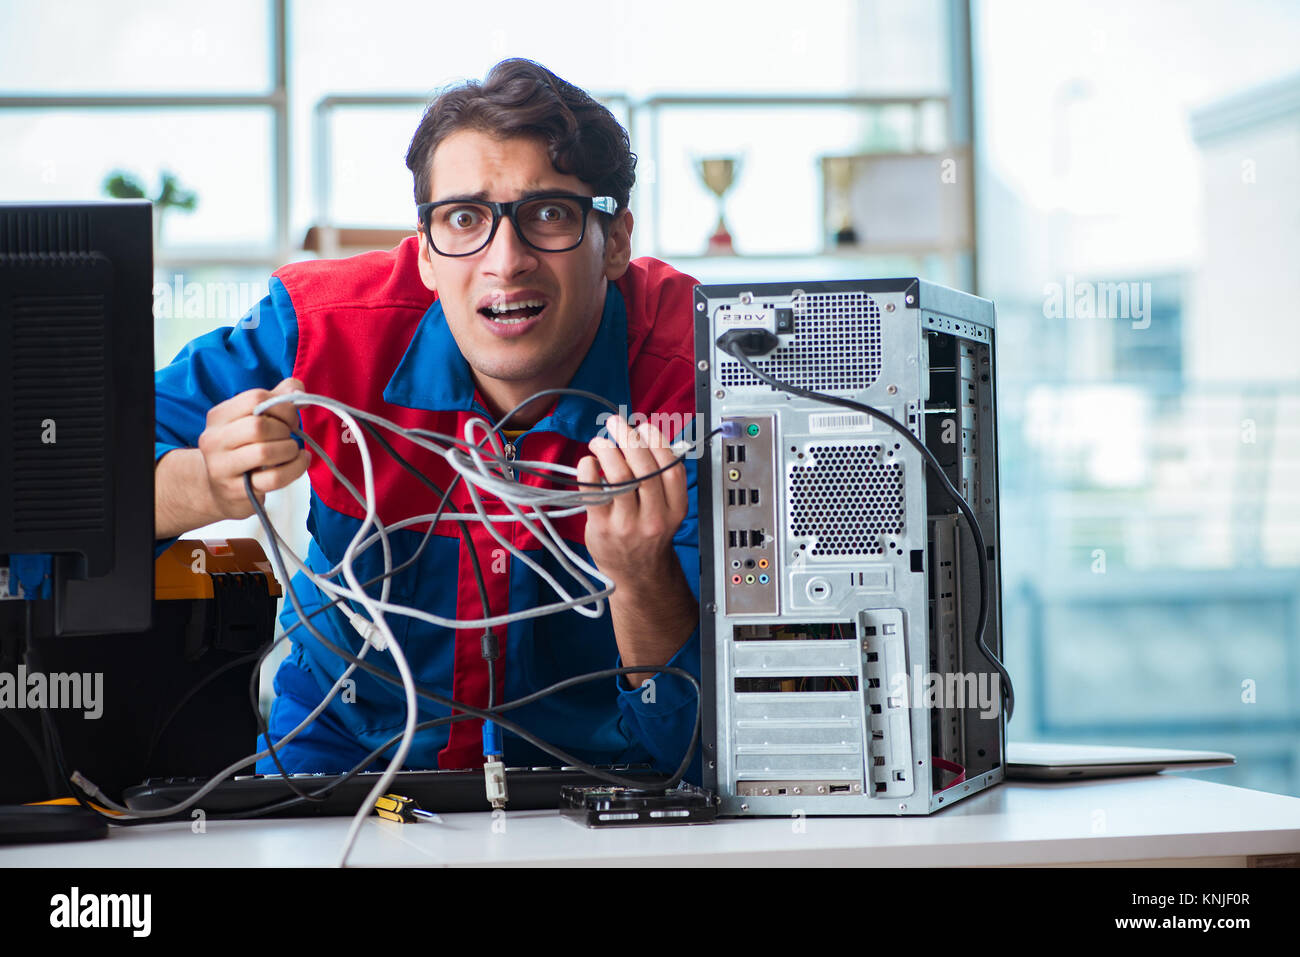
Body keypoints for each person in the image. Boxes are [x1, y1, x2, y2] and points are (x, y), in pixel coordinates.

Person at [152, 59, 702, 781]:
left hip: (603, 790)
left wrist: (640, 579)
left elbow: (703, 749)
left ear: (617, 241)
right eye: (465, 218)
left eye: (549, 214)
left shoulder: (703, 364)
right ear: (424, 252)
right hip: (338, 778)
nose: (506, 263)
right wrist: (210, 483)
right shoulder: (321, 331)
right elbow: (67, 487)